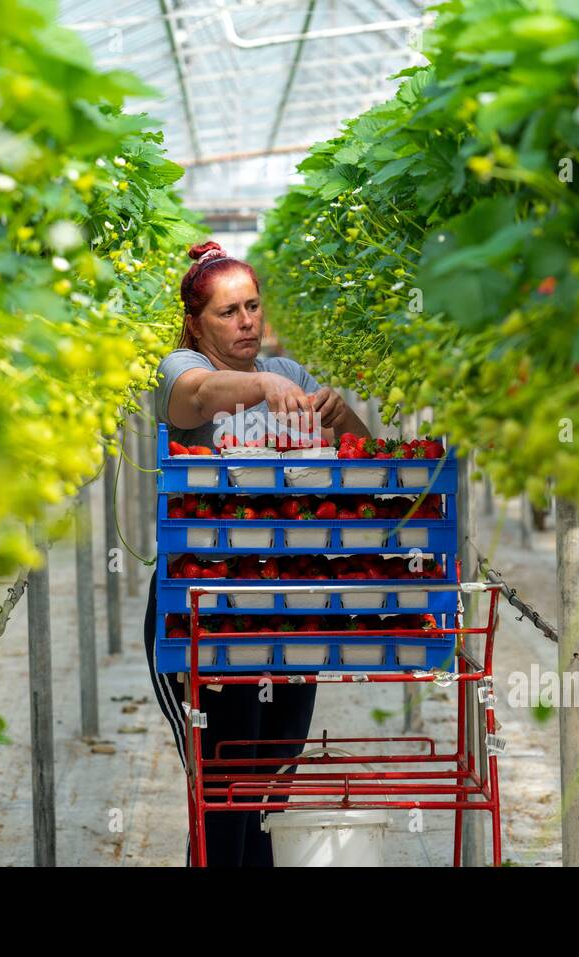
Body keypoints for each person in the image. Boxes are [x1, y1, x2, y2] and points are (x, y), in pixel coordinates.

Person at [144, 240, 372, 866]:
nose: (246, 322)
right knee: (221, 794)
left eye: (252, 307)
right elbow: (200, 392)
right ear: (196, 322)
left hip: (289, 611)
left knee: (270, 789)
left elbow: (365, 452)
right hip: (202, 617)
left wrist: (340, 413)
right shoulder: (176, 371)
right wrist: (261, 382)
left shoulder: (291, 374)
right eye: (227, 312)